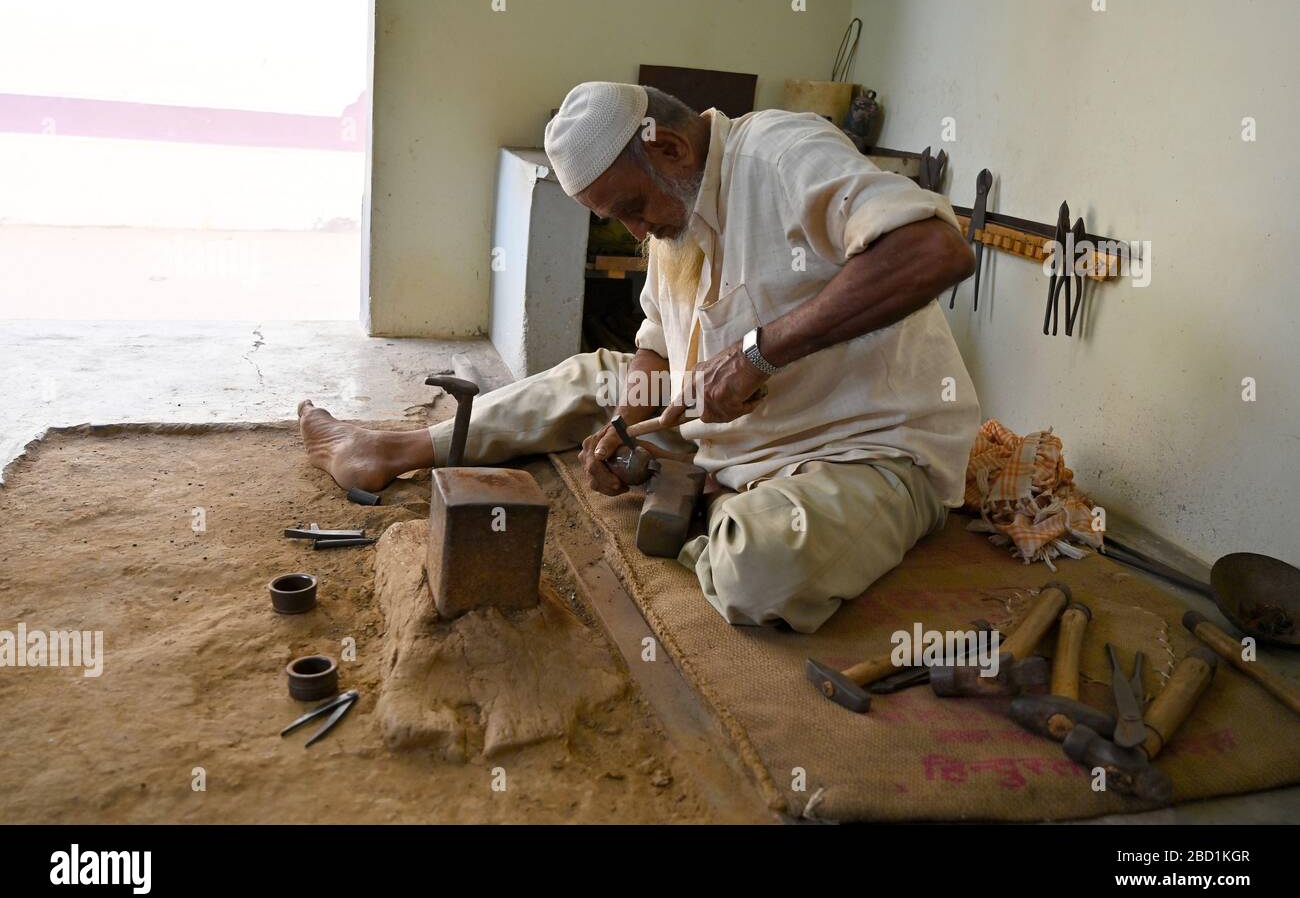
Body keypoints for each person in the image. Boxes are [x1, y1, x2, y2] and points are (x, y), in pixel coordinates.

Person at [300, 81, 979, 633]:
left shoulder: (784, 154)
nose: (634, 229)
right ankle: (395, 450)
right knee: (588, 378)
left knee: (765, 570)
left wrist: (757, 355)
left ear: (674, 148)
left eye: (631, 206)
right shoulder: (674, 209)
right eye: (613, 217)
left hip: (862, 449)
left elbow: (934, 250)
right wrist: (628, 425)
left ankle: (716, 507)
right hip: (722, 424)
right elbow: (656, 342)